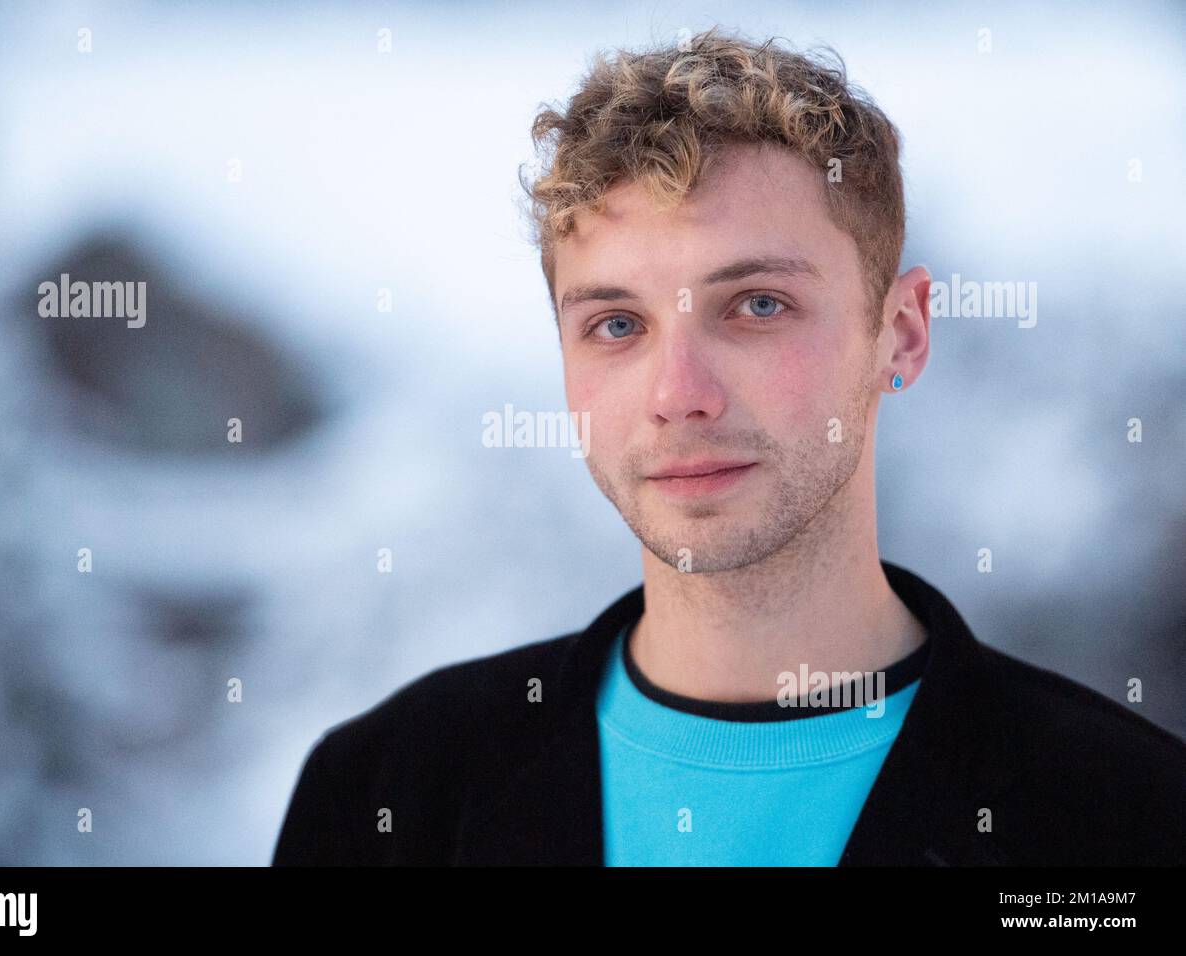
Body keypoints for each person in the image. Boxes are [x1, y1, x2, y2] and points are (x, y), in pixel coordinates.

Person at [273, 26, 1185, 866]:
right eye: (617, 323)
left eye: (756, 306)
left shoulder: (1128, 818)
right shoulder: (384, 794)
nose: (680, 398)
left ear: (900, 333)